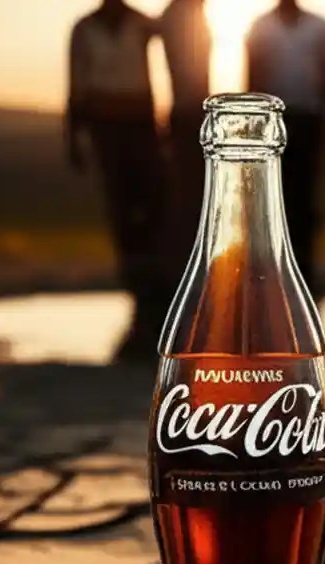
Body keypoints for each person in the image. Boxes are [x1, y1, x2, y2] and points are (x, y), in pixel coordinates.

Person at [66, 0, 170, 355]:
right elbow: (76, 81)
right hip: (105, 126)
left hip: (140, 123)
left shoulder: (142, 25)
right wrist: (73, 136)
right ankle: (136, 281)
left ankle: (154, 284)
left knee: (153, 204)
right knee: (121, 207)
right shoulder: (84, 29)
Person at [245, 0, 325, 292]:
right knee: (273, 198)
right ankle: (271, 271)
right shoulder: (260, 27)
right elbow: (252, 78)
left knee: (305, 197)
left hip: (308, 118)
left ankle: (304, 270)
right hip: (273, 122)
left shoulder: (319, 27)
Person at [159, 0, 212, 244]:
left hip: (193, 112)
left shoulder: (189, 14)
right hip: (189, 114)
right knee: (191, 191)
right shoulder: (181, 16)